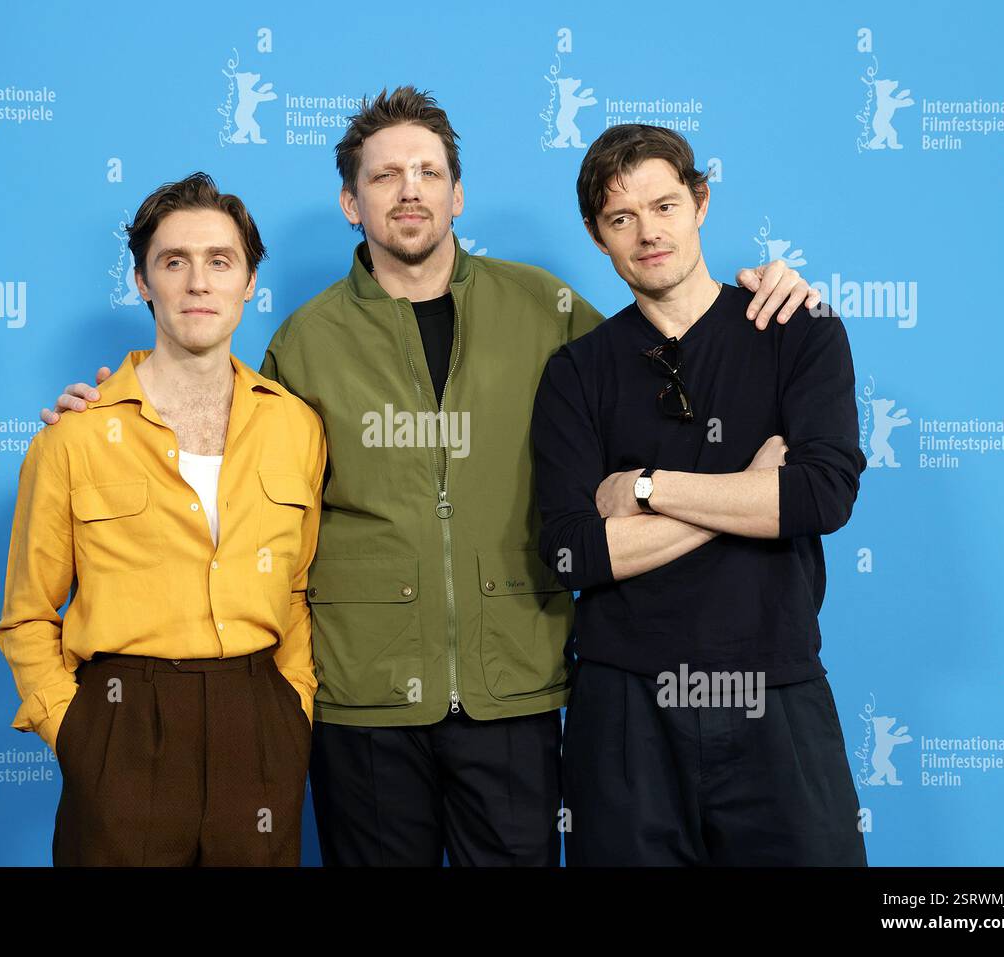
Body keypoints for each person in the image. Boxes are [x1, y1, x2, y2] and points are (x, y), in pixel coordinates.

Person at [41, 87, 819, 866]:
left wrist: (770, 304)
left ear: (457, 194)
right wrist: (113, 406)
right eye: (384, 176)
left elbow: (666, 344)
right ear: (351, 201)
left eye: (427, 171)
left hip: (514, 686)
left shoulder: (547, 310)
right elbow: (228, 479)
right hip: (363, 701)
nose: (409, 190)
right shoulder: (304, 342)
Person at [531, 123, 868, 865]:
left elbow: (820, 496)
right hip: (625, 710)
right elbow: (574, 552)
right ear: (597, 237)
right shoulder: (577, 371)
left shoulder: (796, 329)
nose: (648, 232)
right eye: (622, 218)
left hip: (773, 688)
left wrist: (650, 489)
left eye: (665, 206)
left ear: (701, 202)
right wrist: (750, 493)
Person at [0, 172, 326, 866]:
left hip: (259, 719)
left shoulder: (296, 427)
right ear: (143, 282)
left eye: (220, 261)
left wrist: (292, 705)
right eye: (174, 262)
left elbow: (296, 590)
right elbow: (27, 615)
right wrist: (79, 733)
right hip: (122, 722)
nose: (198, 283)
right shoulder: (74, 435)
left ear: (250, 281)